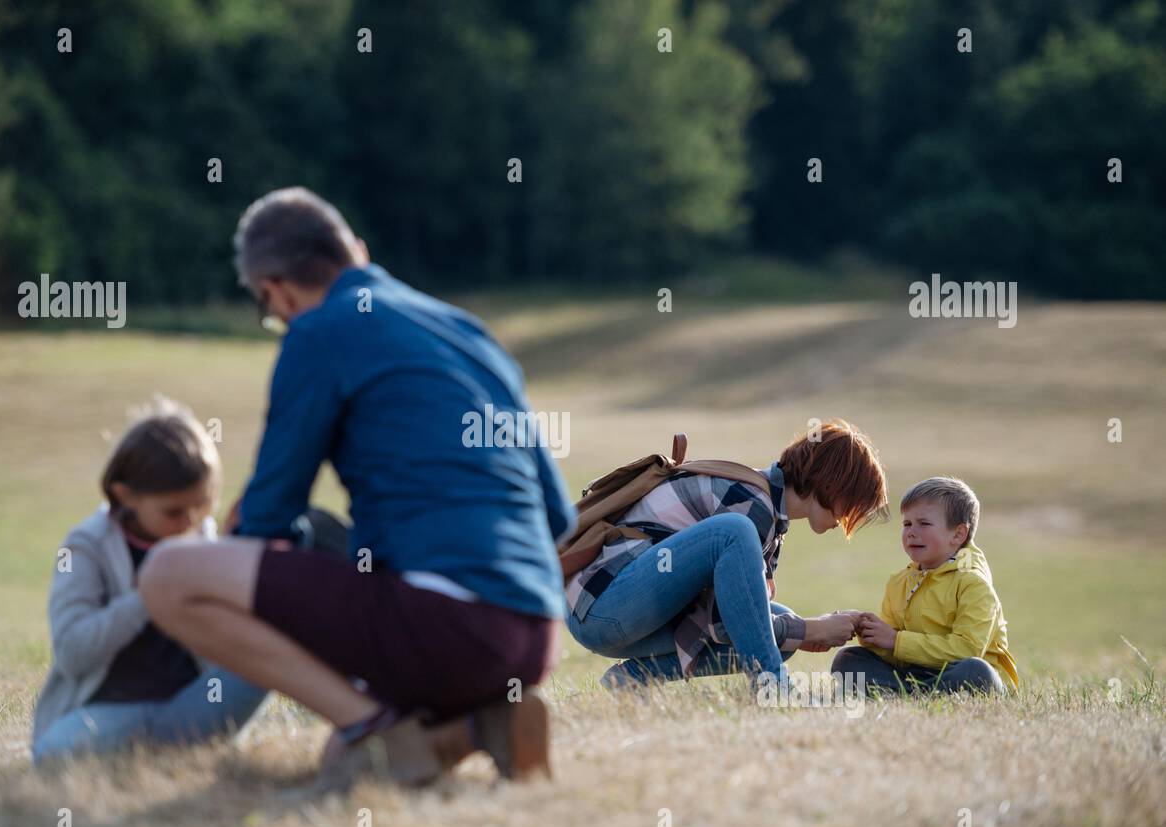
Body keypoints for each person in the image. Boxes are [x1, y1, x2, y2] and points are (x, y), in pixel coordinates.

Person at [138, 187, 576, 787]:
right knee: (339, 757)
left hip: (445, 626)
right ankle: (482, 723)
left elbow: (268, 517)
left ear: (277, 291)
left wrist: (275, 540)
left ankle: (375, 729)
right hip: (534, 637)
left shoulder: (318, 332)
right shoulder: (469, 331)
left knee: (168, 575)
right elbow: (558, 516)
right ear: (356, 252)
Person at [32, 399, 269, 764]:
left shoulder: (203, 538)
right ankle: (165, 753)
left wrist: (235, 556)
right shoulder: (85, 547)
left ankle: (182, 746)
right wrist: (149, 596)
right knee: (54, 754)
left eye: (203, 504)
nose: (190, 521)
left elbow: (235, 643)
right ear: (125, 495)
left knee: (265, 661)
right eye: (174, 511)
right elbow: (72, 654)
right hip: (108, 715)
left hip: (192, 708)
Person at [566, 420, 888, 688]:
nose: (848, 519)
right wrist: (809, 629)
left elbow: (742, 619)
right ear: (833, 484)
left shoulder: (767, 511)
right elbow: (726, 625)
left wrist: (801, 630)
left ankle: (633, 678)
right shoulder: (752, 504)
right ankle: (773, 685)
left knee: (773, 627)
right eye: (852, 503)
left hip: (624, 614)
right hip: (604, 608)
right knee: (734, 534)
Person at [833, 476, 1017, 694]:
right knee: (848, 660)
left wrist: (896, 640)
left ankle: (904, 693)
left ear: (958, 534)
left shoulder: (973, 583)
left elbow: (967, 650)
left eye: (924, 524)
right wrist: (872, 635)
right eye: (907, 524)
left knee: (975, 670)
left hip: (960, 672)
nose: (911, 531)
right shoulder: (900, 582)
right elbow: (897, 653)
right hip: (915, 674)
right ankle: (917, 694)